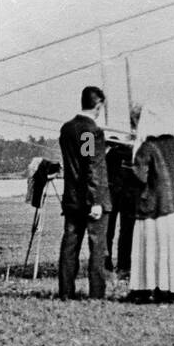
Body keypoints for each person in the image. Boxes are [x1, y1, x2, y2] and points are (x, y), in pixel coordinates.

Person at [127, 105, 174, 304]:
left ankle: (149, 288)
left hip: (153, 207)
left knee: (152, 249)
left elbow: (140, 176)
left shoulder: (147, 146)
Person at [58, 86, 112, 299]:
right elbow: (90, 164)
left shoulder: (67, 128)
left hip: (71, 198)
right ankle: (97, 293)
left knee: (70, 245)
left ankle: (65, 291)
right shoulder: (90, 131)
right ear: (98, 106)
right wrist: (96, 200)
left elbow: (77, 162)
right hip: (90, 201)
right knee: (97, 247)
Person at [104, 135, 136, 275]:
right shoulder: (131, 154)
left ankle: (106, 263)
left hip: (112, 194)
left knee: (108, 231)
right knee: (127, 231)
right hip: (129, 196)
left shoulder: (111, 154)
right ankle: (124, 264)